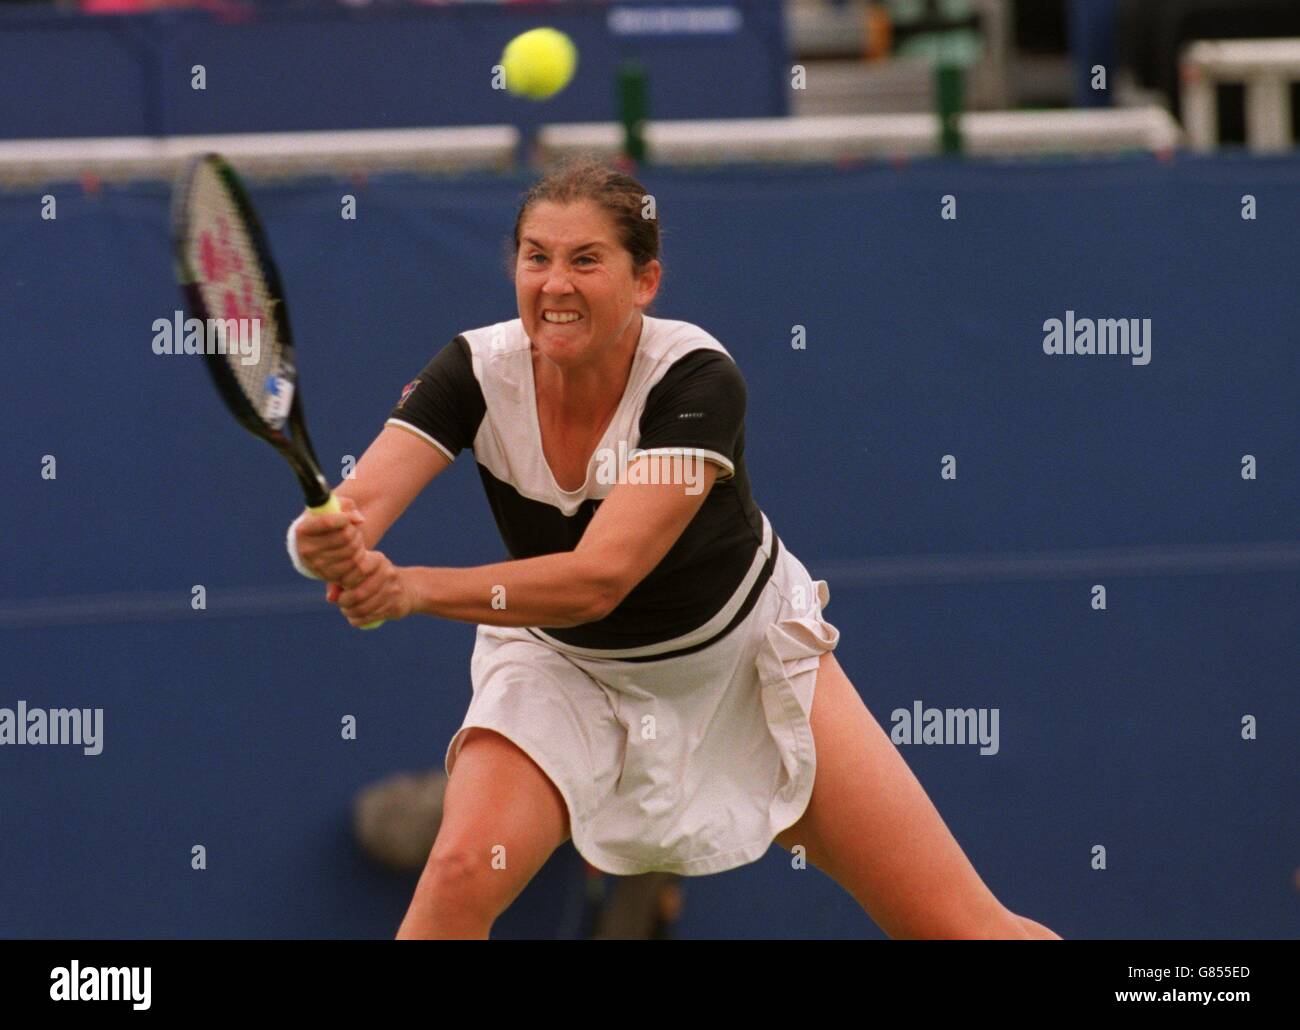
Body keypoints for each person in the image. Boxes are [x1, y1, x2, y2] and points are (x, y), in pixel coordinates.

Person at [287, 156, 1062, 941]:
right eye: (536, 257)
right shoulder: (473, 370)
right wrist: (324, 539)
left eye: (586, 260)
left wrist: (411, 589)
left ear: (644, 281)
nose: (555, 284)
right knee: (457, 877)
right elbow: (357, 510)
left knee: (964, 930)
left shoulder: (696, 380)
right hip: (564, 672)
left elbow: (600, 579)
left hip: (743, 666)